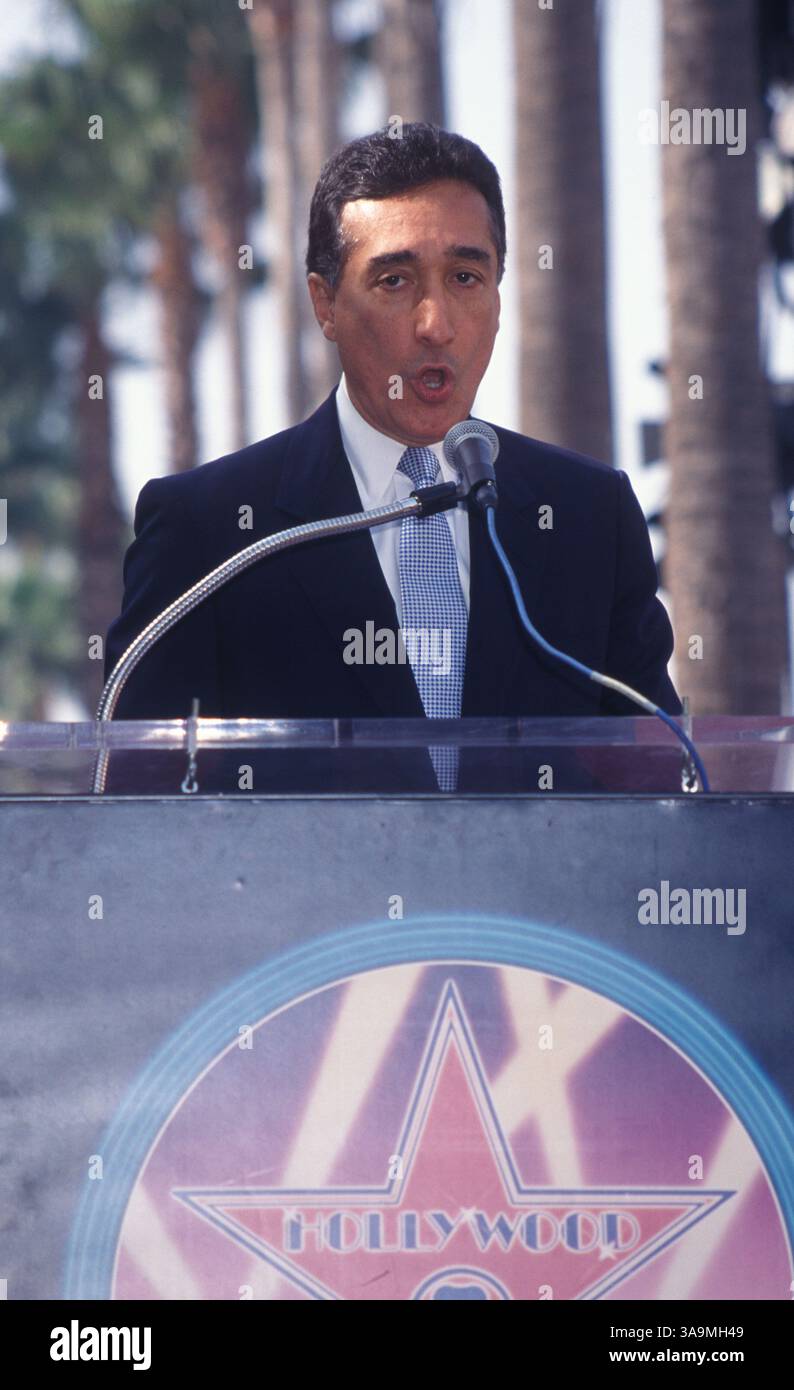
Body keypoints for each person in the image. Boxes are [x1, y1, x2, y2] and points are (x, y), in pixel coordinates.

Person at [103, 123, 681, 793]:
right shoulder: (209, 532)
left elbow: (658, 782)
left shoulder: (588, 517)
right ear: (326, 303)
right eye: (396, 281)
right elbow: (133, 810)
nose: (436, 323)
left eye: (467, 277)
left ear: (498, 295)